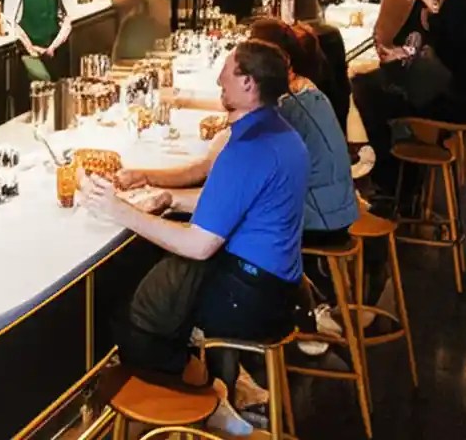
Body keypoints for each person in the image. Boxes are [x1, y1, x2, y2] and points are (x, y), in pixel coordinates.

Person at [80, 40, 307, 436]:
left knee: (129, 316)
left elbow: (199, 244)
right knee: (155, 282)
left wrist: (120, 212)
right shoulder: (280, 133)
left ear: (249, 84)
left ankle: (205, 394)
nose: (219, 77)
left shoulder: (247, 148)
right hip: (282, 288)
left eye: (228, 71)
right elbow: (231, 200)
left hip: (249, 297)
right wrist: (168, 197)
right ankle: (219, 383)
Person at [353, 0, 466, 195]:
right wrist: (400, 52)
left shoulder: (459, 3)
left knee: (367, 91)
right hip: (430, 89)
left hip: (452, 101)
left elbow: (452, 56)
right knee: (366, 83)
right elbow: (417, 45)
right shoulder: (424, 1)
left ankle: (393, 183)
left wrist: (432, 6)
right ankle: (399, 176)